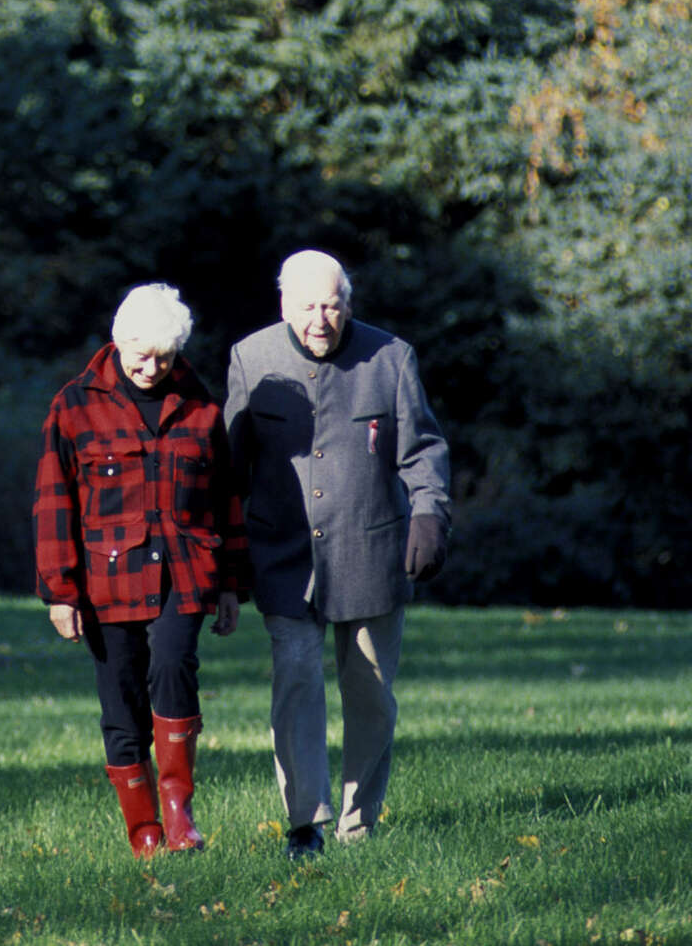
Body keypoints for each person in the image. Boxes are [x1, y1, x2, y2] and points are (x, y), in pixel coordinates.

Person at [224, 249, 449, 860]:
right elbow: (230, 469)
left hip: (372, 551)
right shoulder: (251, 358)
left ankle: (359, 821)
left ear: (348, 303)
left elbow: (423, 450)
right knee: (296, 681)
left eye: (332, 304)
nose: (320, 318)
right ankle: (306, 823)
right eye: (307, 306)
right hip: (284, 556)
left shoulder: (391, 357)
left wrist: (429, 513)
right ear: (284, 305)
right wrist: (223, 560)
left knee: (370, 691)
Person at [33, 282, 248, 857]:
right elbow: (54, 502)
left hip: (185, 571)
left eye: (165, 357)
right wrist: (61, 591)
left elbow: (226, 499)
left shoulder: (202, 408)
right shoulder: (73, 406)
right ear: (117, 340)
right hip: (107, 581)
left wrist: (230, 583)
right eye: (140, 355)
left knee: (176, 666)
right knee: (120, 702)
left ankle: (178, 812)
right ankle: (144, 832)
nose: (151, 368)